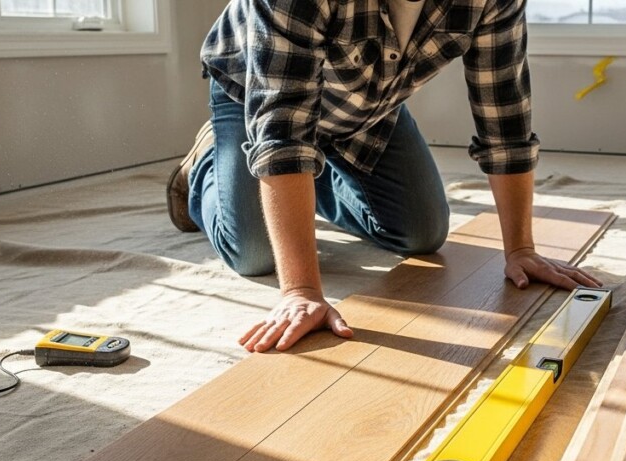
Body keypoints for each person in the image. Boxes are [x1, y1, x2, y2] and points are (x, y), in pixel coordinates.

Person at [166, 0, 601, 353]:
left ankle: (303, 176)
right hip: (255, 91)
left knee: (421, 233)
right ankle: (205, 166)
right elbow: (283, 134)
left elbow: (504, 119)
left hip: (367, 102)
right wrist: (301, 290)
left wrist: (521, 248)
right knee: (255, 256)